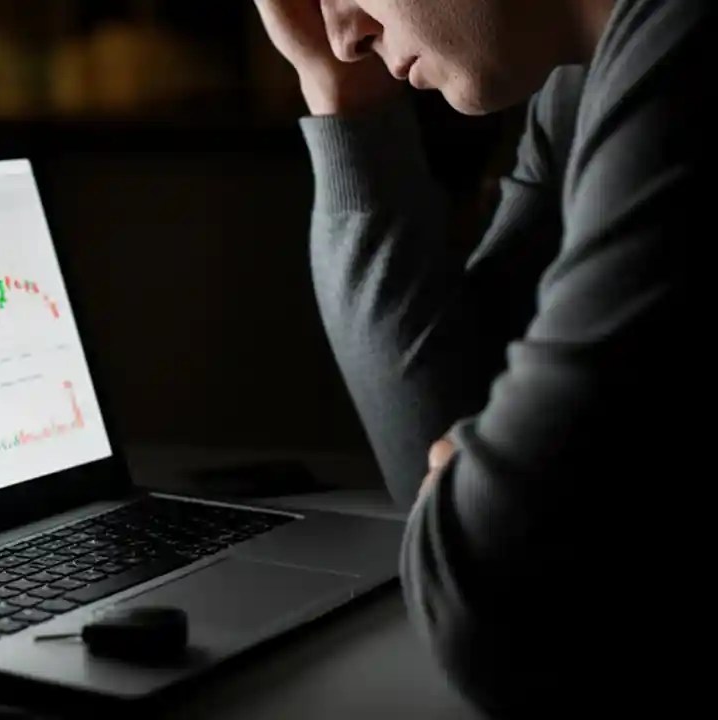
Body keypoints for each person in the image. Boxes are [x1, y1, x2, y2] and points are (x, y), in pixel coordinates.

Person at [252, 0, 709, 716]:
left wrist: (477, 478)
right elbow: (443, 427)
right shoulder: (582, 82)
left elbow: (498, 597)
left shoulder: (689, 40)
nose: (344, 36)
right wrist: (341, 93)